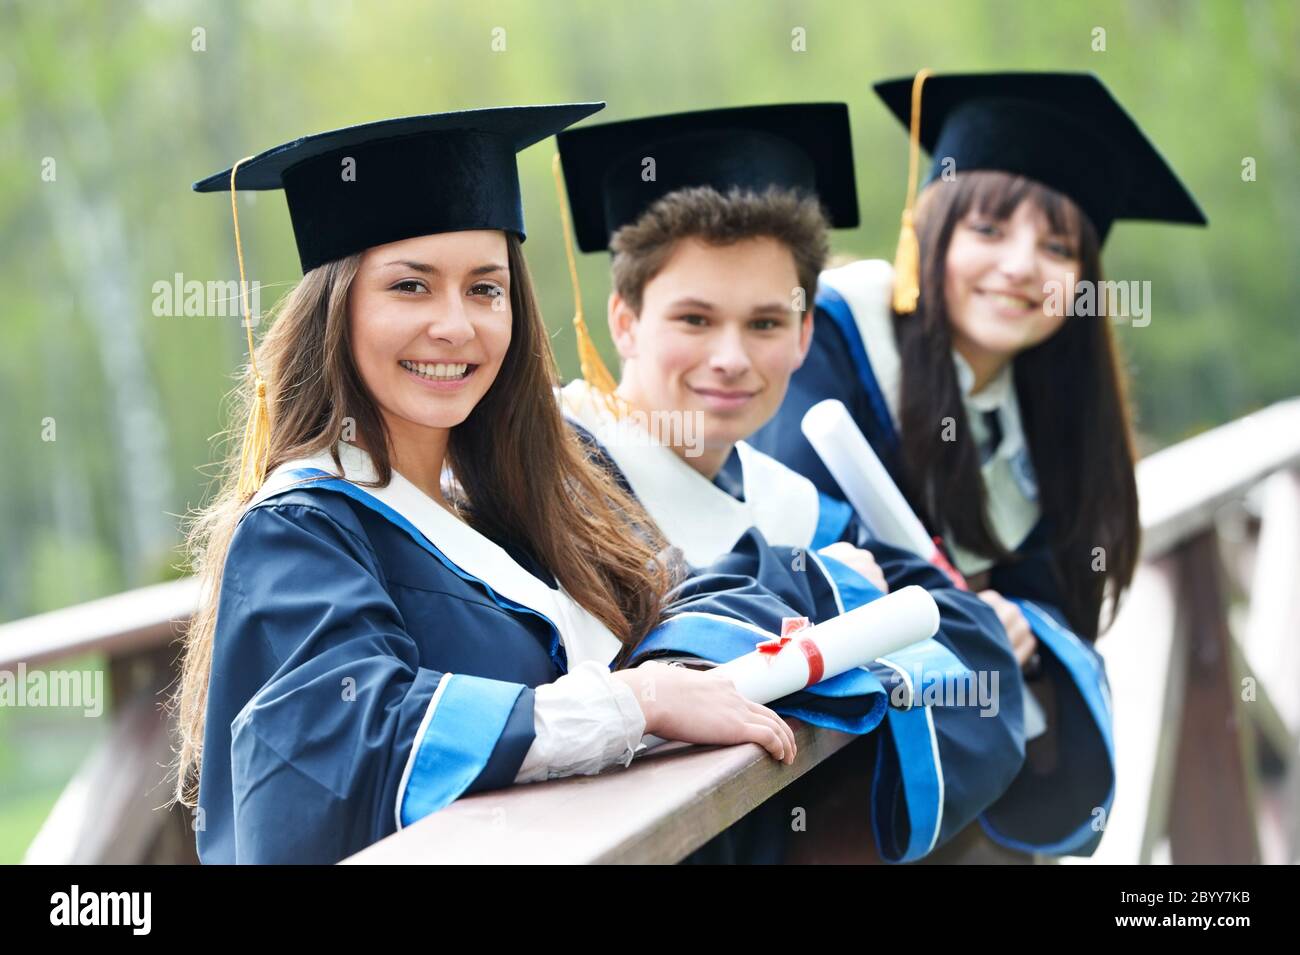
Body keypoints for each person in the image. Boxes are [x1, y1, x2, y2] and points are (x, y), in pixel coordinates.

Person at [171, 105, 879, 865]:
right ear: (336, 311)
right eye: (410, 287)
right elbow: (345, 749)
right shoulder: (302, 530)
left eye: (485, 289)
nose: (455, 325)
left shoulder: (511, 505)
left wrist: (813, 585)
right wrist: (635, 703)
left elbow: (672, 600)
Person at [750, 71, 1208, 856]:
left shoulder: (1060, 412)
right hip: (819, 784)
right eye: (990, 232)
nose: (1024, 266)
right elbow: (800, 548)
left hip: (970, 783)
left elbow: (1061, 597)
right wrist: (967, 614)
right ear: (930, 232)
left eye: (1057, 246)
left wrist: (1025, 627)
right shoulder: (833, 336)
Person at [552, 104, 1026, 862]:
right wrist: (831, 595)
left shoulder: (801, 507)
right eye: (696, 319)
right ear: (625, 320)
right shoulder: (544, 483)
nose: (732, 357)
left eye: (766, 323)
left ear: (806, 332)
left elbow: (968, 658)